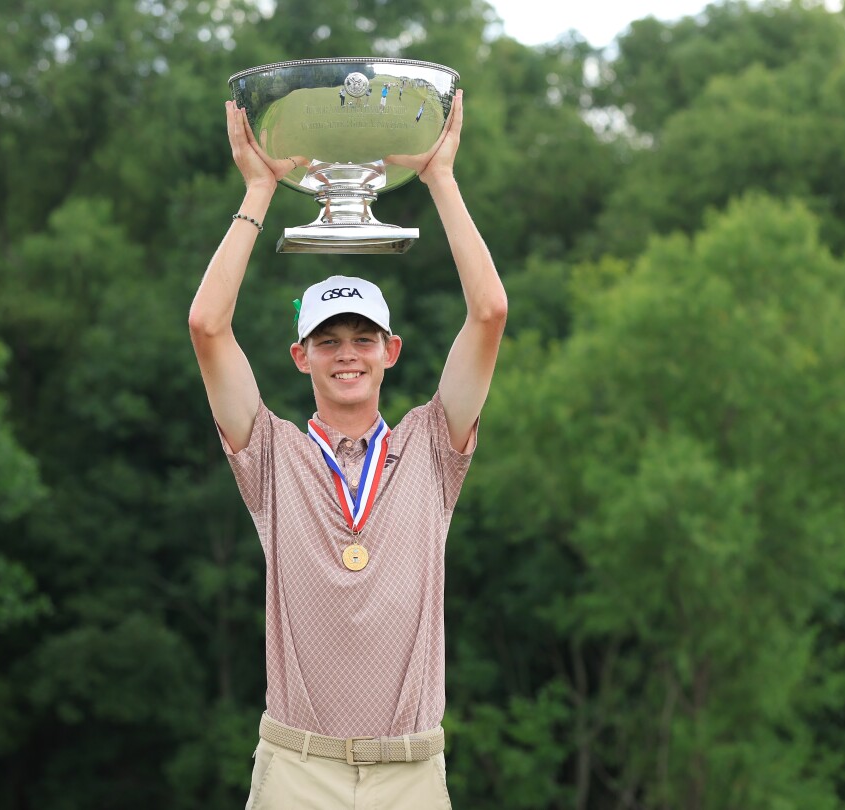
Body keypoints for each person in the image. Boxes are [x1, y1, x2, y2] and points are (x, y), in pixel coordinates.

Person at [189, 90, 506, 809]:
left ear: (391, 351)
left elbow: (489, 313)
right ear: (300, 356)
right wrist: (258, 192)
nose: (347, 354)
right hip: (298, 770)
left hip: (410, 772)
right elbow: (207, 326)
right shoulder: (271, 455)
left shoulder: (432, 444)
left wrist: (441, 179)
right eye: (327, 340)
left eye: (363, 338)